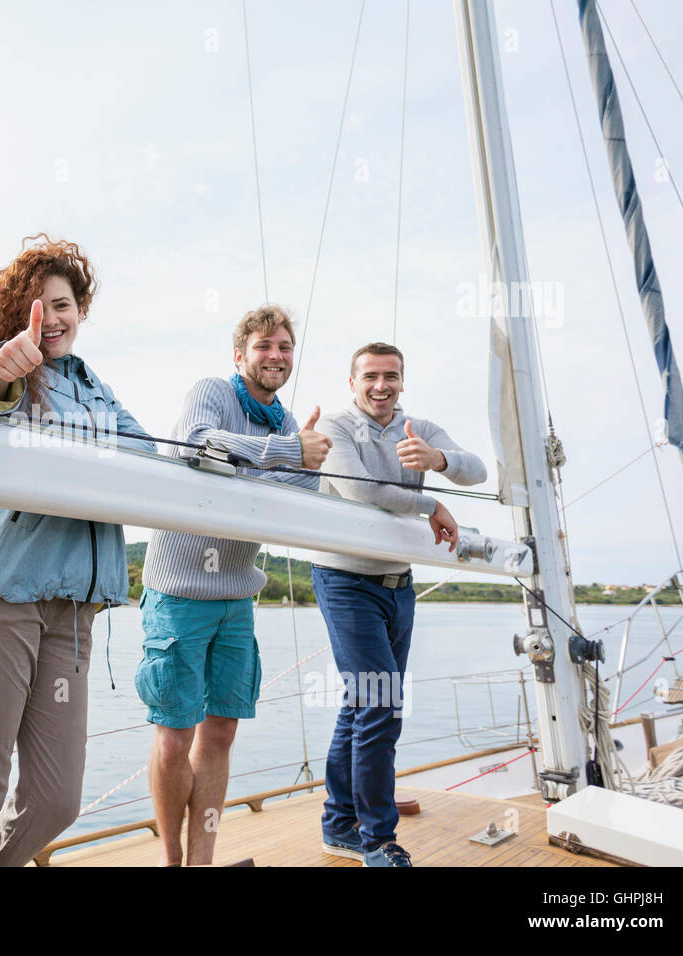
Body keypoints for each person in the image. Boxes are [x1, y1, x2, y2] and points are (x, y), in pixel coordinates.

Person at [0, 234, 155, 866]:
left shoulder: (96, 389)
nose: (52, 319)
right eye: (38, 308)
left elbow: (151, 455)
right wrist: (2, 371)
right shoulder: (6, 368)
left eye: (63, 305)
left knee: (57, 799)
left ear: (80, 310)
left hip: (75, 609)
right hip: (0, 593)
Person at [138, 304, 330, 866]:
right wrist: (285, 454)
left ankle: (203, 862)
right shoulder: (212, 392)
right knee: (174, 736)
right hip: (179, 590)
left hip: (238, 595)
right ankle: (172, 861)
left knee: (220, 733)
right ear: (240, 353)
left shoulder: (288, 422)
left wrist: (307, 463)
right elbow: (196, 444)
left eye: (286, 347)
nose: (276, 356)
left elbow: (298, 493)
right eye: (265, 345)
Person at [308, 342, 486, 867]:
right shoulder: (337, 428)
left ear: (402, 381)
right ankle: (378, 841)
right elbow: (362, 489)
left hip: (397, 584)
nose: (380, 385)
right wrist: (431, 501)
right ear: (353, 382)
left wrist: (440, 461)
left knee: (363, 704)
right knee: (380, 704)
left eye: (390, 376)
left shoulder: (419, 428)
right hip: (343, 579)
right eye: (370, 376)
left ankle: (338, 826)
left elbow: (475, 471)